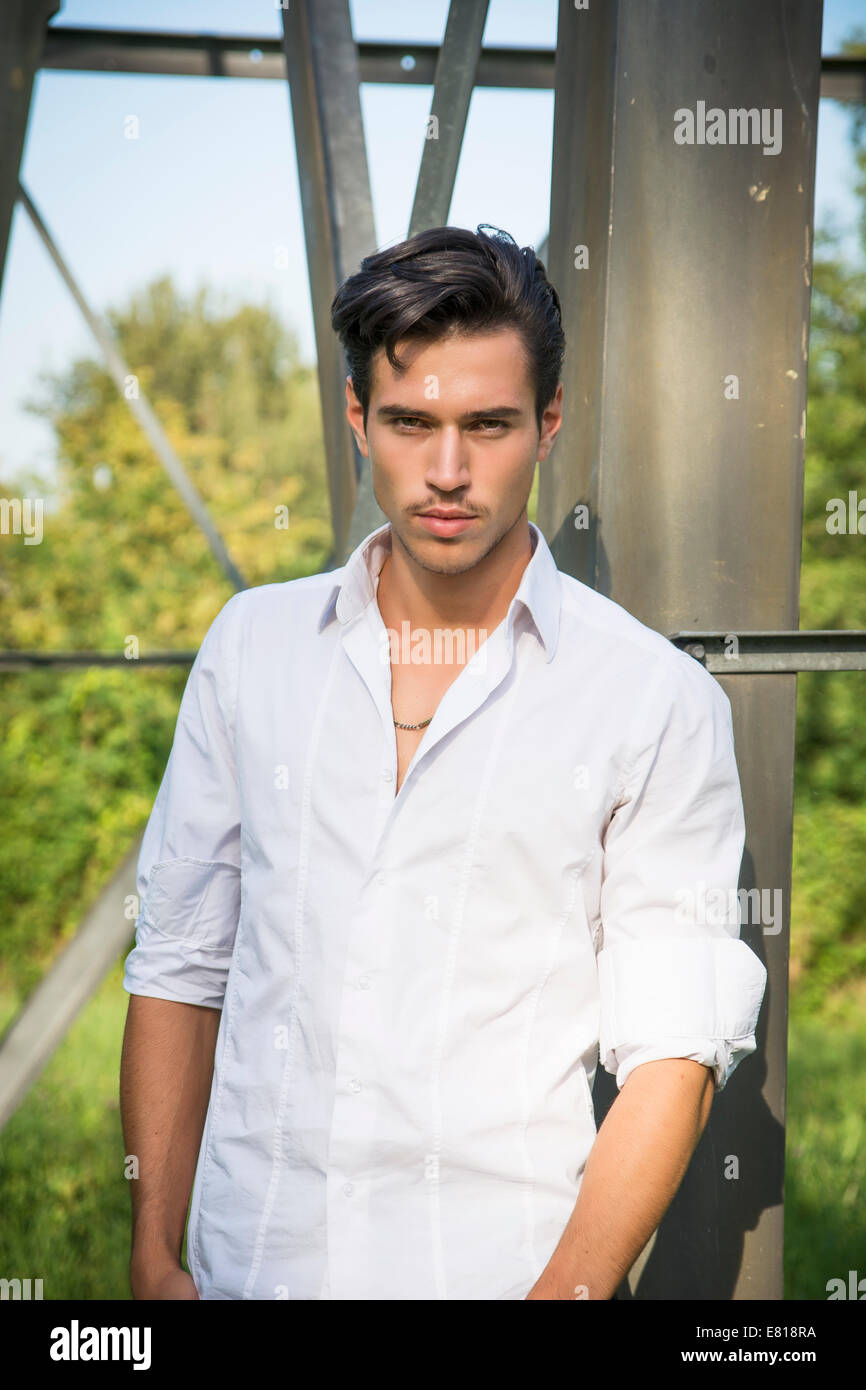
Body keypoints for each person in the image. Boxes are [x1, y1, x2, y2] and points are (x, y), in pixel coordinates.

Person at [120, 224, 768, 1302]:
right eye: (410, 424)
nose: (448, 471)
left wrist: (565, 1294)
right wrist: (152, 1252)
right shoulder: (251, 650)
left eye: (489, 424)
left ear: (548, 421)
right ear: (356, 418)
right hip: (249, 1271)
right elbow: (182, 963)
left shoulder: (650, 700)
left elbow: (673, 1047)